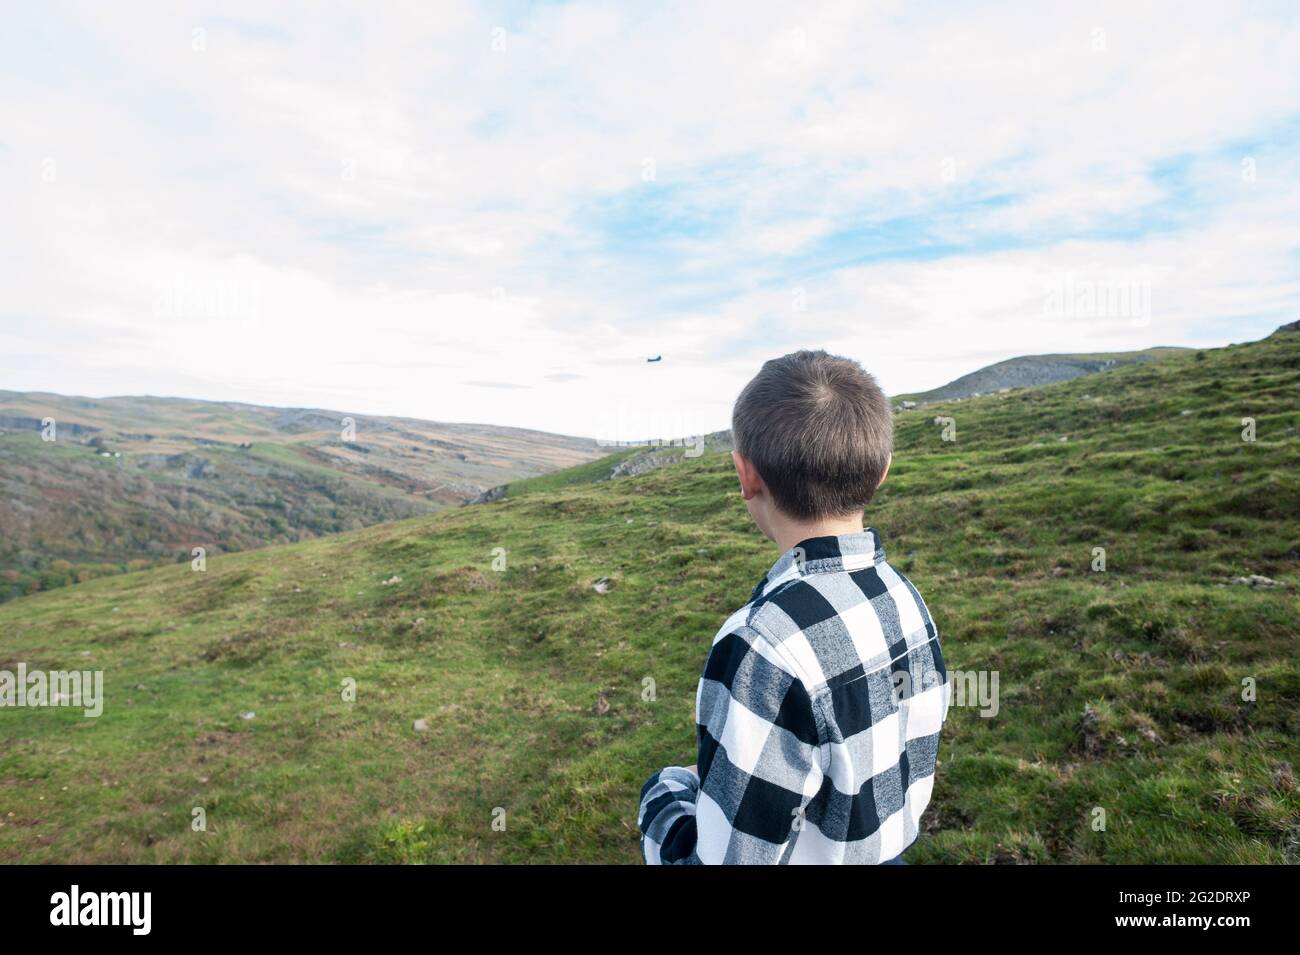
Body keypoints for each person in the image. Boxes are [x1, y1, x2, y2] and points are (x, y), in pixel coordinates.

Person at [638, 350, 949, 864]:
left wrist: (664, 792)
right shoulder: (903, 595)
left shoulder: (760, 644)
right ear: (881, 472)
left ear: (746, 475)